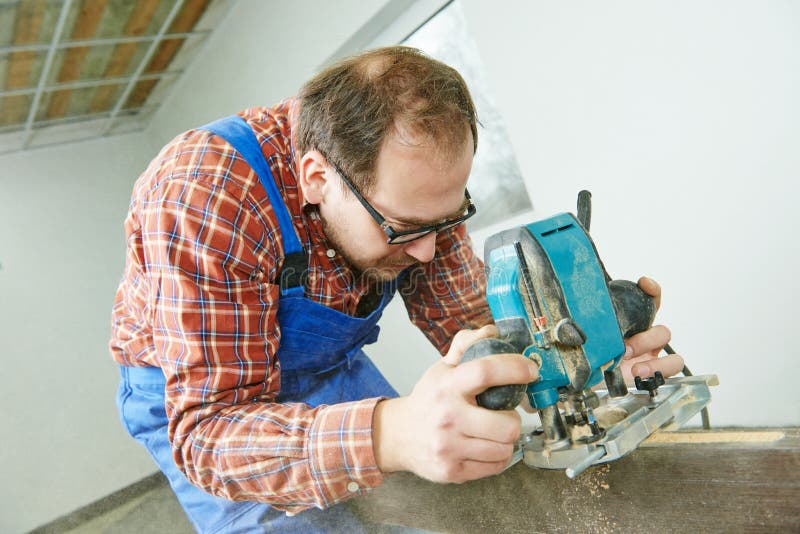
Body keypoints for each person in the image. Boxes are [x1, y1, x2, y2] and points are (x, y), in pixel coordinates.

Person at [109, 46, 684, 533]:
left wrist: (580, 356)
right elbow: (209, 436)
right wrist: (393, 432)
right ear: (317, 177)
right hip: (207, 408)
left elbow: (472, 325)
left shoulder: (414, 194)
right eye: (404, 230)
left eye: (447, 222)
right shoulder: (205, 194)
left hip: (329, 369)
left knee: (424, 509)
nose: (429, 252)